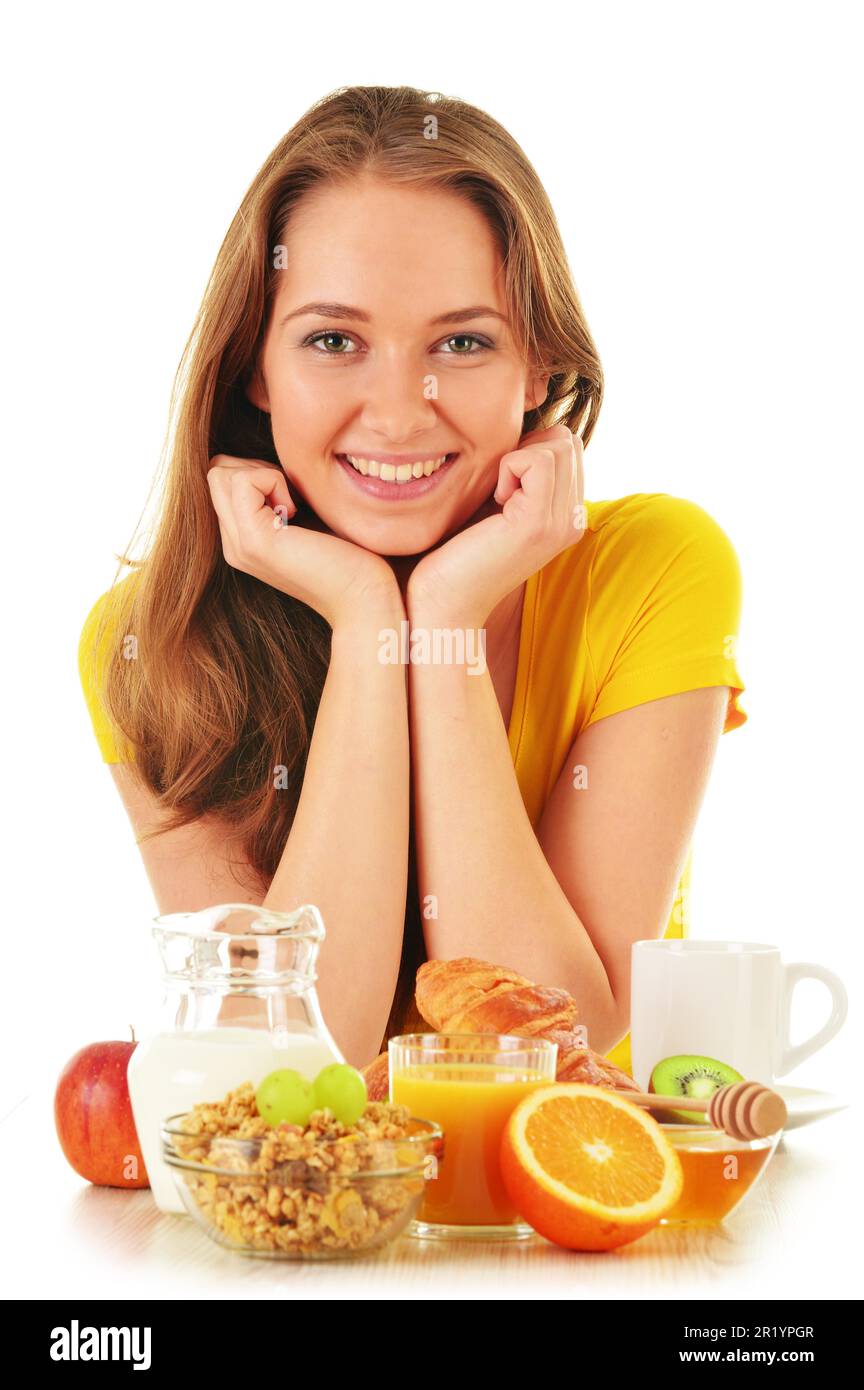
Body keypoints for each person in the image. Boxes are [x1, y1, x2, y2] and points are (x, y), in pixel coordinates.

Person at [78, 84, 747, 1075]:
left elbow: (554, 1037)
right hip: (336, 1223)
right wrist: (364, 622)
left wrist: (441, 620)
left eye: (463, 342)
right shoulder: (154, 638)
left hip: (576, 1207)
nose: (399, 412)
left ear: (538, 368)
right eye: (334, 340)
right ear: (255, 367)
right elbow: (298, 1060)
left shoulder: (654, 567)